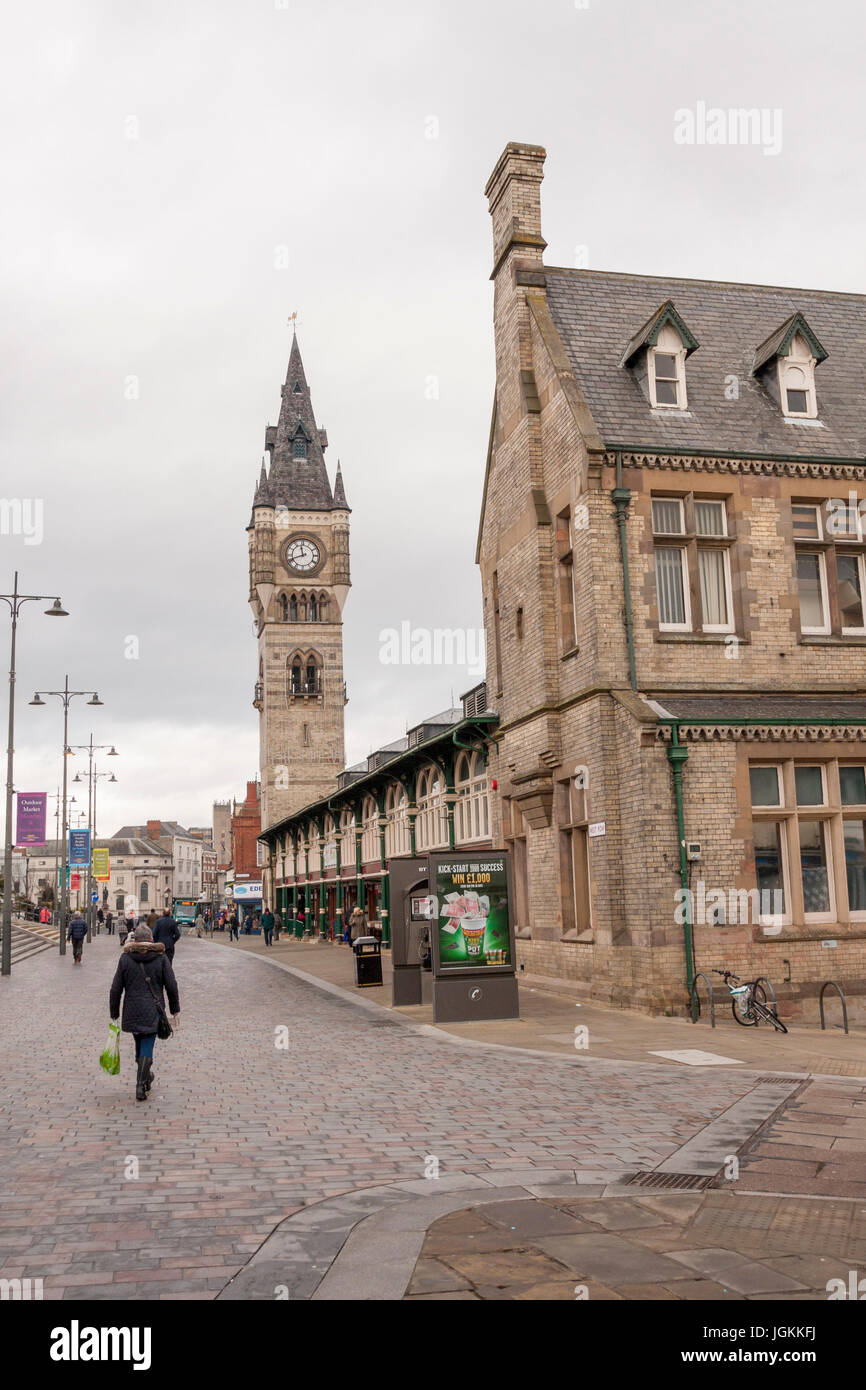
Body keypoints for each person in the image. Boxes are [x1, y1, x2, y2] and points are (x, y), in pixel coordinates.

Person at [109, 924, 180, 1102]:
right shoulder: (160, 958)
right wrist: (174, 1009)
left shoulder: (125, 958)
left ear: (134, 939)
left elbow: (116, 988)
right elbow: (171, 985)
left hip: (132, 1009)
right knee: (147, 1043)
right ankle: (141, 1084)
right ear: (150, 939)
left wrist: (114, 1011)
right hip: (153, 1009)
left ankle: (145, 1076)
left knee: (139, 1042)